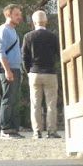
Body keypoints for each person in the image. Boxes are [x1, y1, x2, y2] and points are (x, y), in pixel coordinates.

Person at [22, 9, 60, 139]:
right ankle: (51, 130)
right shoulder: (53, 36)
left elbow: (24, 56)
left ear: (33, 22)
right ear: (46, 21)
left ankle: (37, 131)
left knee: (35, 104)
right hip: (50, 72)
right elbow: (59, 53)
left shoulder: (28, 36)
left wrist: (28, 70)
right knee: (51, 104)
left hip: (34, 72)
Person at [0, 3, 24, 139]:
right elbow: (0, 51)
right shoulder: (3, 30)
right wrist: (7, 70)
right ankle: (5, 129)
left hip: (16, 68)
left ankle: (13, 128)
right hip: (8, 68)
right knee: (7, 98)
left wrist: (20, 70)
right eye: (16, 14)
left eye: (20, 14)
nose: (19, 17)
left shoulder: (14, 31)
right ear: (8, 15)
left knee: (14, 99)